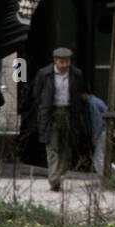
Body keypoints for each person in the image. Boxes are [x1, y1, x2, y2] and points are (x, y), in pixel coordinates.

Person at [33, 46, 89, 191]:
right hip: (51, 113)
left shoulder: (77, 74)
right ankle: (54, 179)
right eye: (61, 62)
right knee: (52, 146)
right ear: (55, 61)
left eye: (67, 62)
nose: (64, 65)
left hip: (69, 113)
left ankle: (60, 175)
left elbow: (81, 93)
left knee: (66, 147)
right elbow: (37, 95)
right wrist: (44, 108)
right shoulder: (44, 74)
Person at [84, 90, 109, 175]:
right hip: (105, 130)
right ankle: (113, 173)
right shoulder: (96, 101)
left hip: (102, 131)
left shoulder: (92, 103)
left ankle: (104, 176)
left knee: (98, 158)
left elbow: (97, 121)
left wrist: (95, 137)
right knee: (102, 156)